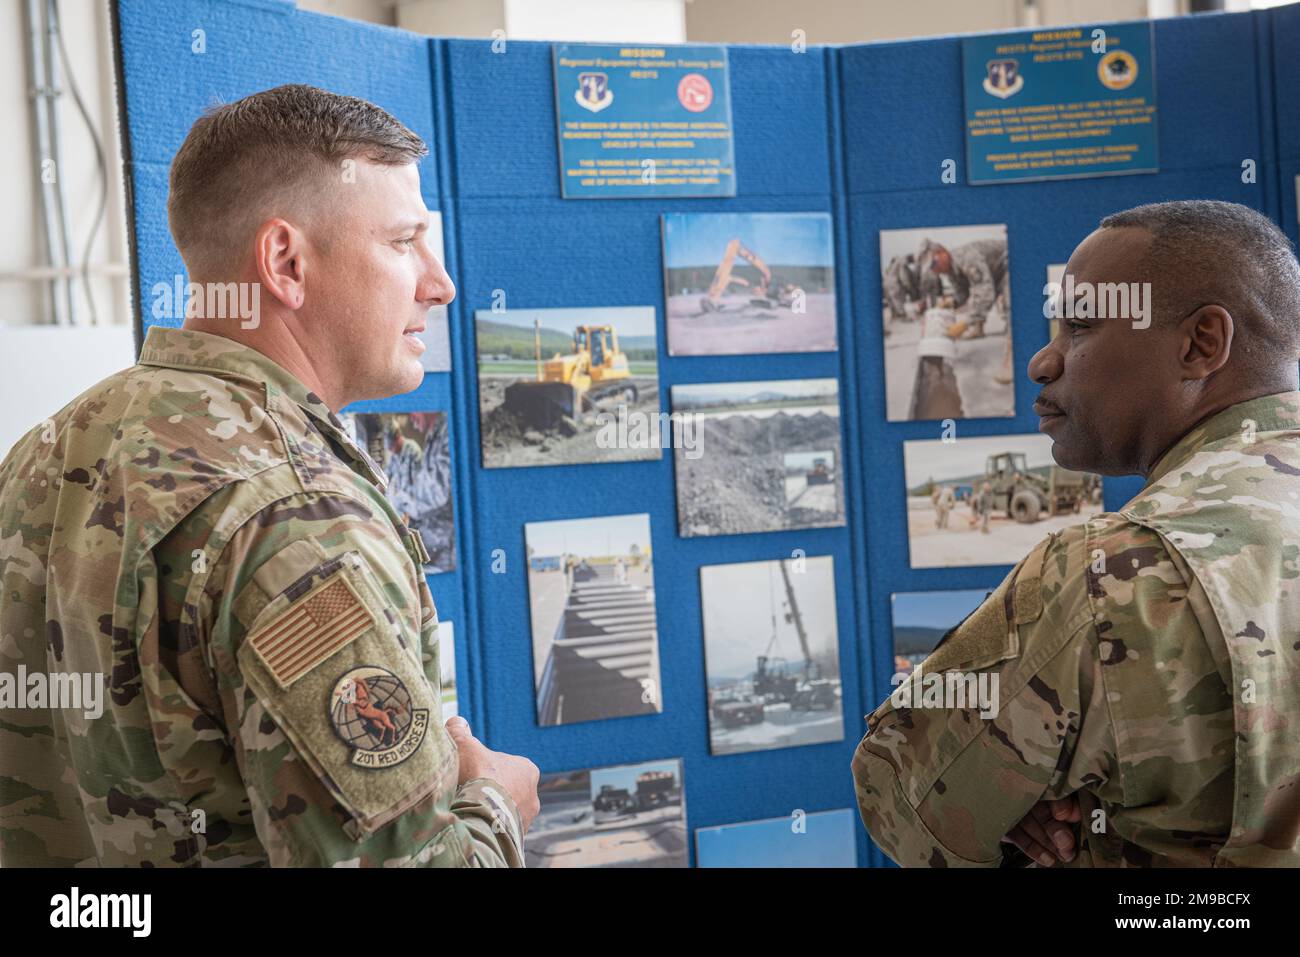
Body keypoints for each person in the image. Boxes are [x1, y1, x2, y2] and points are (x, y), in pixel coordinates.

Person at [0, 85, 539, 867]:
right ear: (286, 262)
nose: (440, 281)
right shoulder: (295, 515)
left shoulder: (45, 449)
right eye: (404, 242)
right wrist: (501, 803)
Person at [853, 199, 1300, 867]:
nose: (1042, 362)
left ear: (1201, 343)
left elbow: (902, 796)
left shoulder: (1108, 573)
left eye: (1080, 328)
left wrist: (1019, 805)